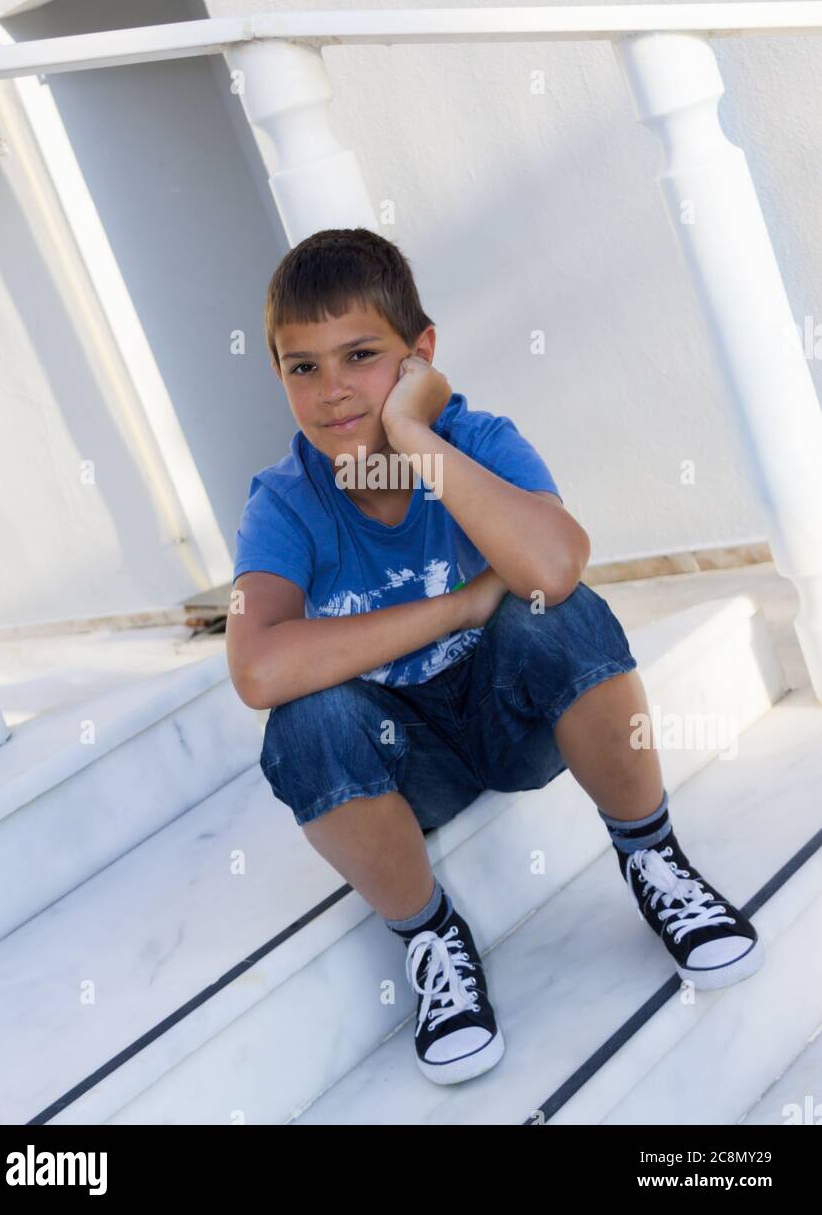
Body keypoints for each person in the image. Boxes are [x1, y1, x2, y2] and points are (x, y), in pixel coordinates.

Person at [225, 227, 763, 1087]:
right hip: (410, 767)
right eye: (302, 367)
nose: (332, 393)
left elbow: (553, 567)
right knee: (306, 719)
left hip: (519, 717)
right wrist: (460, 605)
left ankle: (653, 854)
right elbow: (258, 669)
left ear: (419, 354)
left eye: (360, 356)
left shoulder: (474, 437)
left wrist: (411, 431)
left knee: (556, 611)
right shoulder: (284, 502)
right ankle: (432, 936)